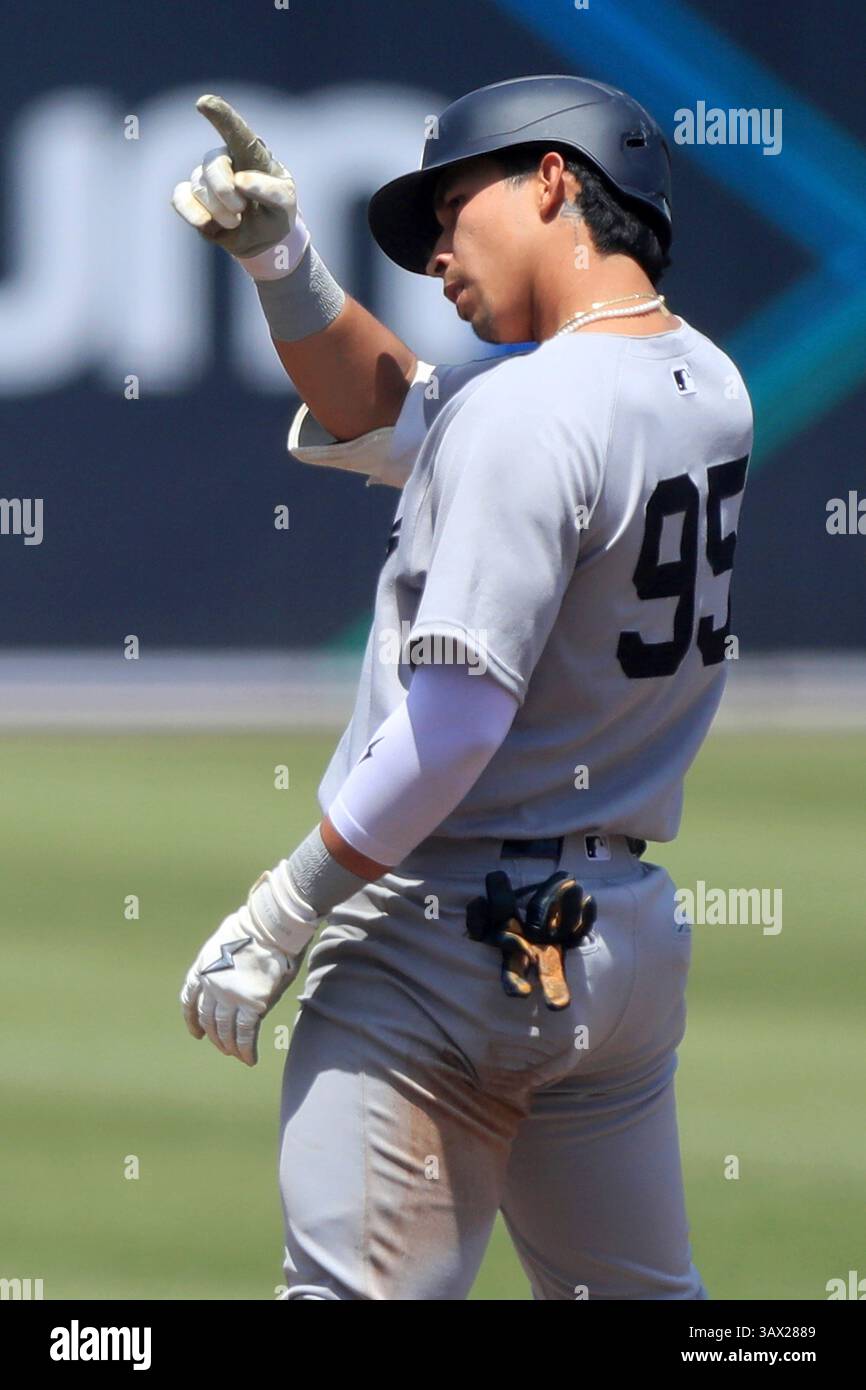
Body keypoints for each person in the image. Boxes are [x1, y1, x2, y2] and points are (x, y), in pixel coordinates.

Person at [173, 75, 753, 1301]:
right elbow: (393, 411)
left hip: (444, 949)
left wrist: (283, 911)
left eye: (453, 204)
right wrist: (281, 261)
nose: (435, 249)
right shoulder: (705, 387)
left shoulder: (527, 412)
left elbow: (450, 733)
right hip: (618, 955)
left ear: (553, 180)